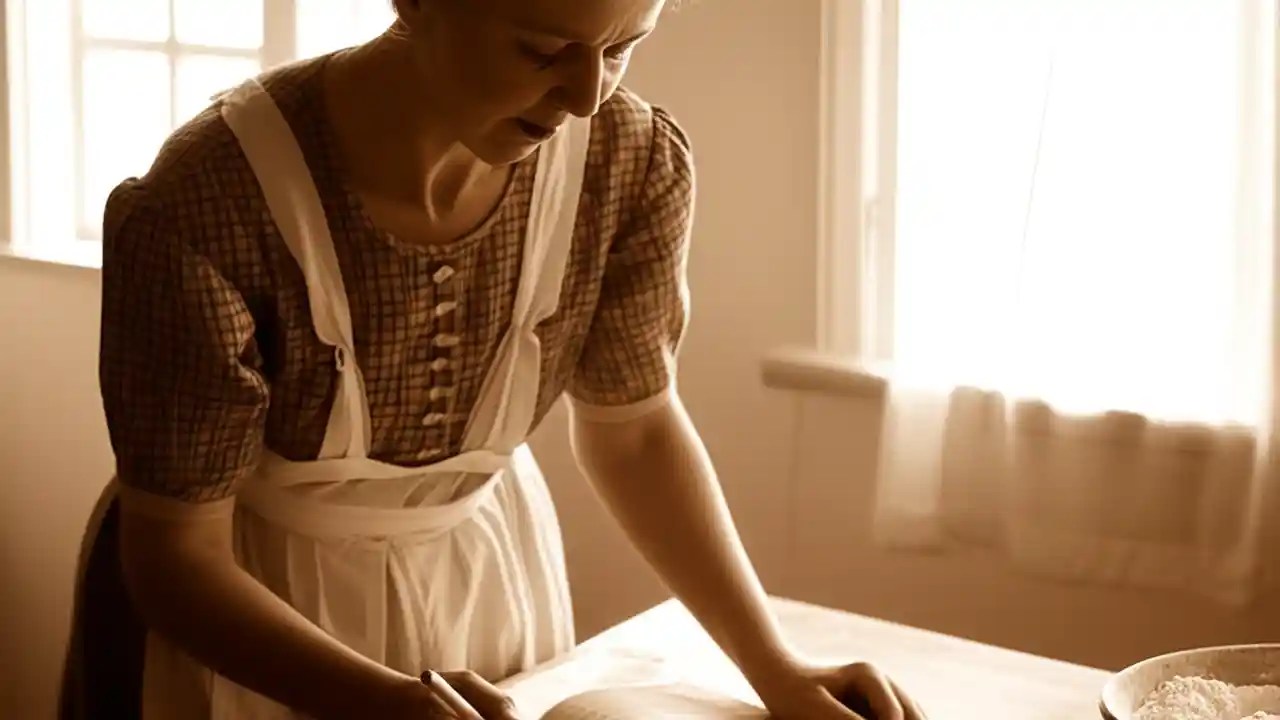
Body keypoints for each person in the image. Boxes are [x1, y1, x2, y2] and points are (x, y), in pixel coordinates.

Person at [59, 0, 928, 718]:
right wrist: (382, 702)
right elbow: (173, 556)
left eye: (625, 48)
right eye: (544, 49)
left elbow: (635, 432)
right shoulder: (208, 205)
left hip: (484, 569)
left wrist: (775, 666)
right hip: (255, 608)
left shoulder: (628, 164)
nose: (587, 95)